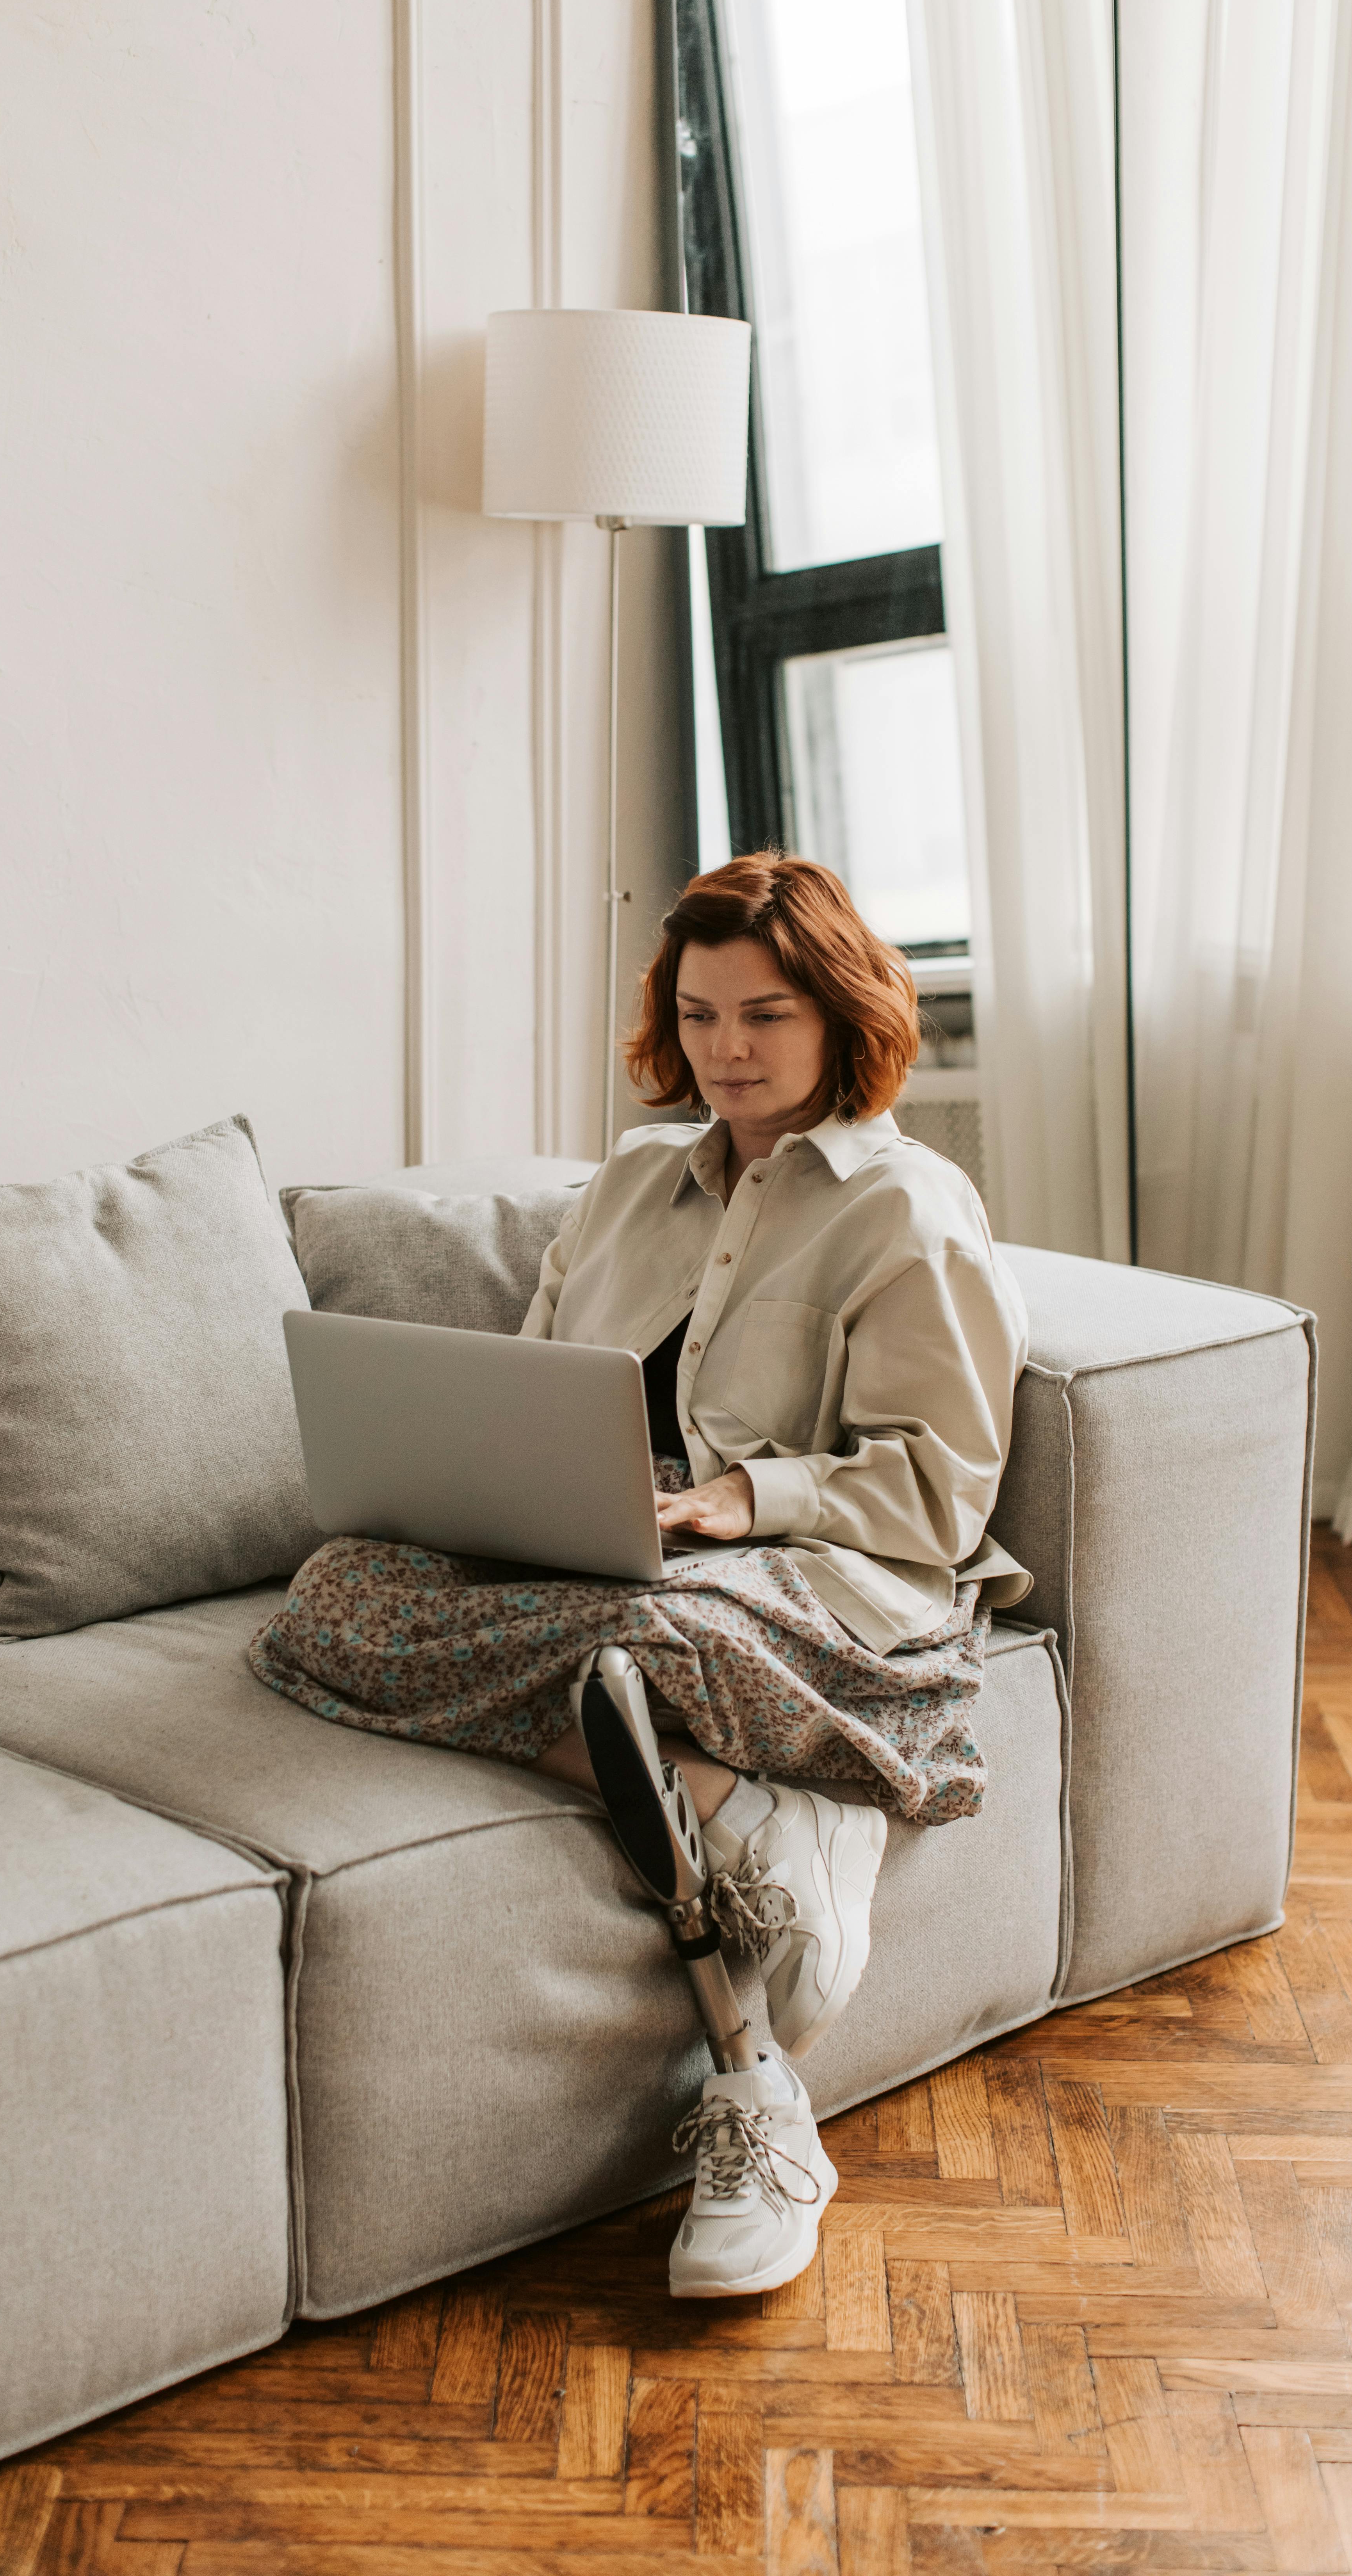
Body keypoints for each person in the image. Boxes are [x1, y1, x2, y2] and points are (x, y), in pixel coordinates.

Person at [251, 851, 1030, 2297]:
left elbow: (939, 1490)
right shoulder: (624, 1181)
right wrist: (498, 1487)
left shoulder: (910, 1209)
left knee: (633, 1646)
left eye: (767, 1016)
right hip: (620, 1546)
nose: (727, 1050)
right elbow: (538, 1388)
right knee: (329, 1601)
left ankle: (753, 2062)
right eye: (699, 1014)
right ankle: (741, 1809)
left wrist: (745, 1497)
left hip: (820, 1562)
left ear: (844, 1014)